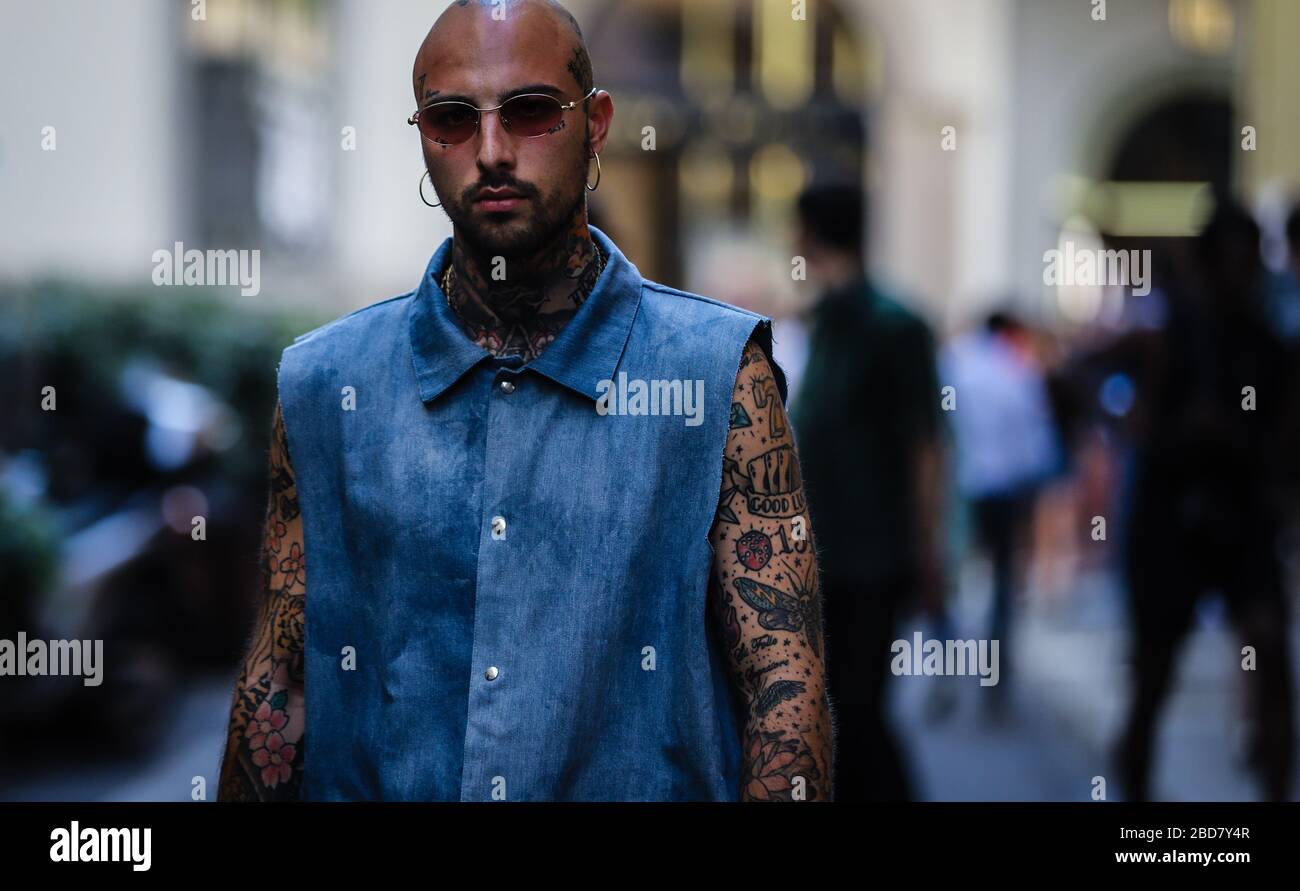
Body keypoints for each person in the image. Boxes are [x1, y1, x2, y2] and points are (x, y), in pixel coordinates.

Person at [216, 0, 832, 802]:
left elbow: (785, 691)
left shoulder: (716, 375)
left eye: (531, 110)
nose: (492, 151)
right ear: (423, 134)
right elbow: (282, 676)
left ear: (597, 122)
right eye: (452, 119)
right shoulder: (325, 384)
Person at [1117, 202, 1295, 801]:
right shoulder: (1171, 338)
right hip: (1173, 520)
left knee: (1267, 656)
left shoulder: (1263, 343)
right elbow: (1135, 415)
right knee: (1154, 676)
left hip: (1237, 517)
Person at [787, 184, 945, 801]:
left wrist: (928, 553)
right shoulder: (827, 320)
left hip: (873, 556)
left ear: (811, 233)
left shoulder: (894, 326)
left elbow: (924, 446)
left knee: (857, 709)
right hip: (827, 557)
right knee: (837, 709)